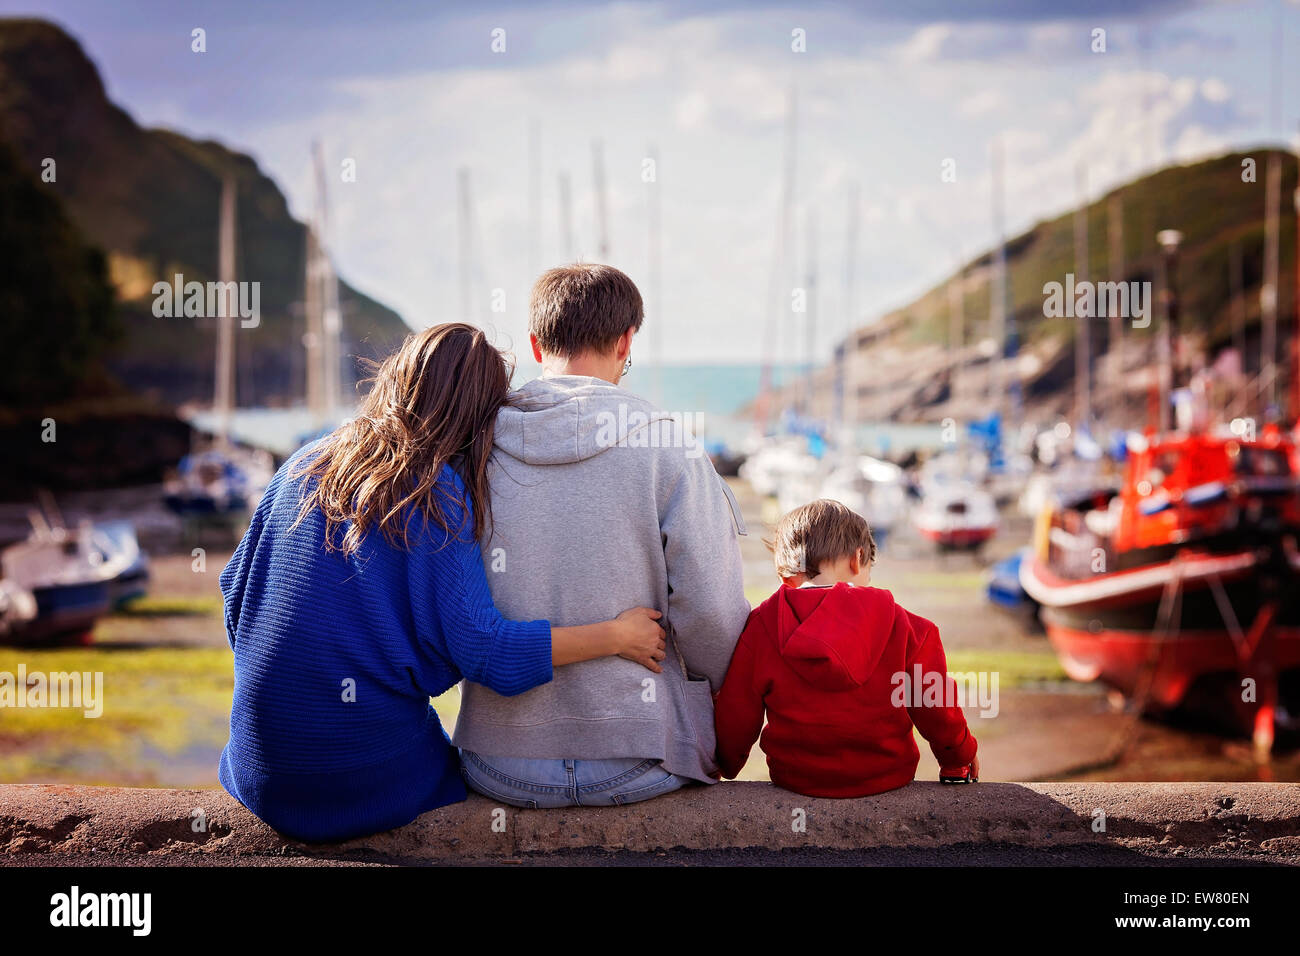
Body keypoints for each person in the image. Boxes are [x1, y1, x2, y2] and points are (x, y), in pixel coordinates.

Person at [217, 322, 667, 842]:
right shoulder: (434, 492)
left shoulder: (301, 464)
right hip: (360, 780)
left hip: (257, 770)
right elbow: (487, 653)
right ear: (479, 414)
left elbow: (234, 594)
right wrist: (617, 635)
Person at [454, 263, 751, 807]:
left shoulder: (473, 445)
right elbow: (711, 612)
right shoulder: (670, 447)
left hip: (497, 760)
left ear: (537, 344)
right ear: (626, 341)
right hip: (641, 758)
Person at [713, 499, 979, 797]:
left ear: (785, 573)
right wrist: (958, 759)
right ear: (857, 559)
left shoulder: (762, 626)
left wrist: (725, 764)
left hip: (796, 780)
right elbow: (937, 708)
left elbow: (736, 712)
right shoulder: (909, 628)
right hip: (887, 777)